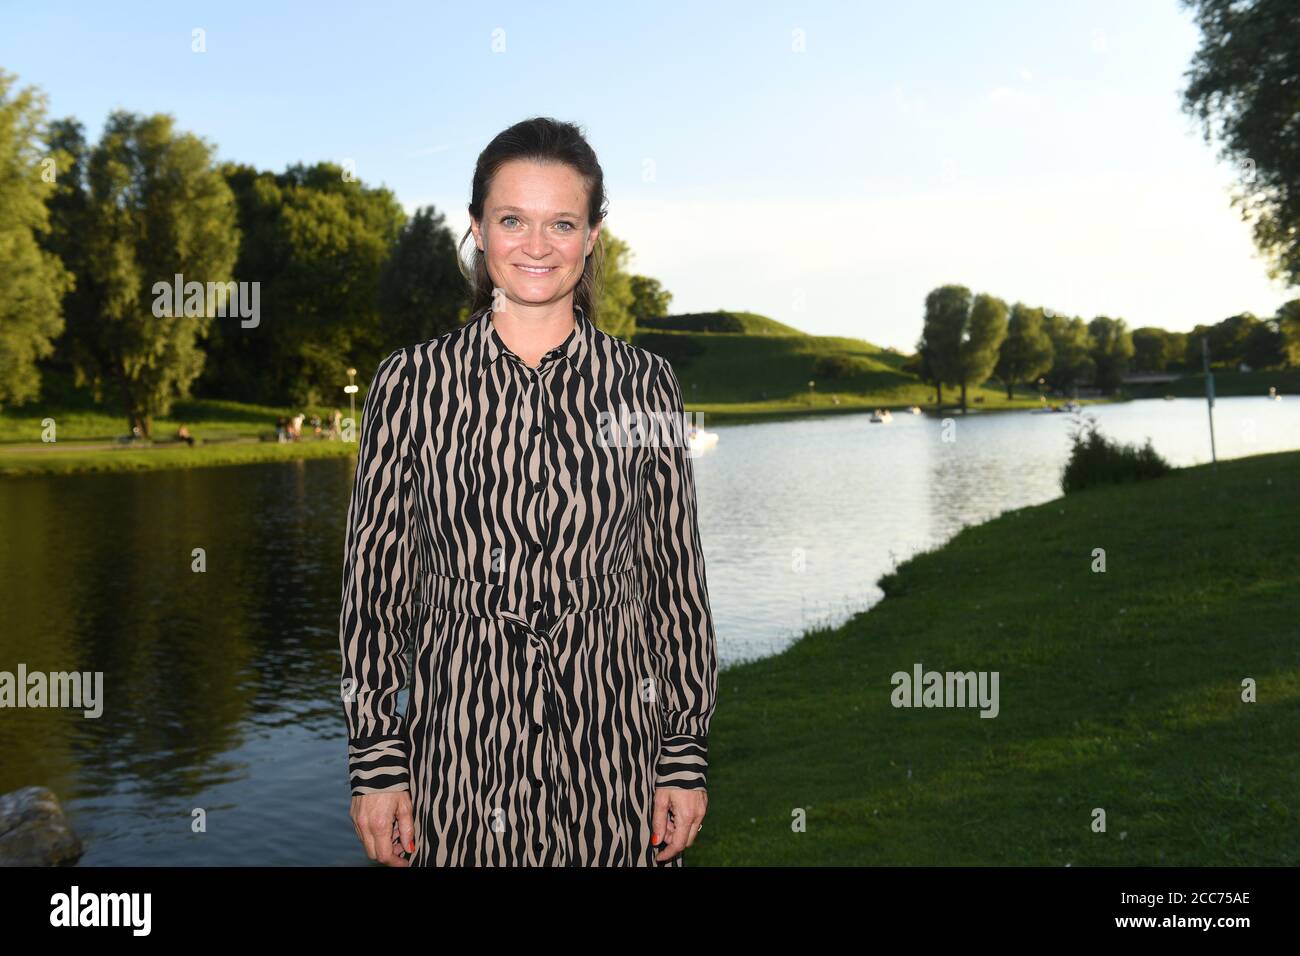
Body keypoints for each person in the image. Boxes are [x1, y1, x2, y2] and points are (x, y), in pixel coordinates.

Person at [339, 117, 717, 868]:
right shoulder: (410, 385)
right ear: (477, 227)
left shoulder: (645, 386)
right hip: (460, 763)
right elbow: (376, 588)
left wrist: (682, 756)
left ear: (593, 235)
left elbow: (674, 580)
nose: (536, 246)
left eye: (562, 223)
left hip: (614, 758)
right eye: (512, 219)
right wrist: (378, 764)